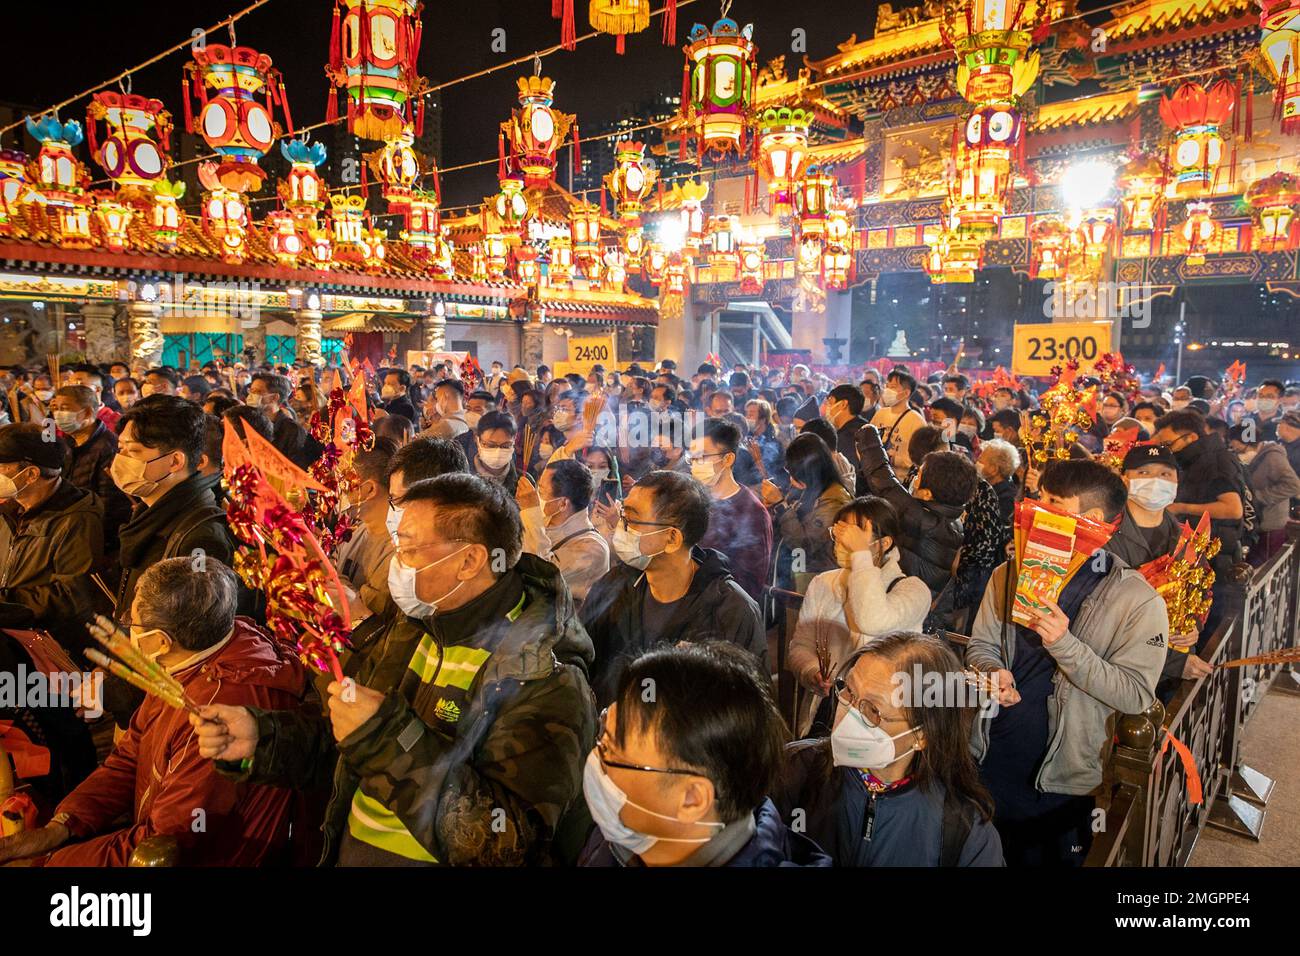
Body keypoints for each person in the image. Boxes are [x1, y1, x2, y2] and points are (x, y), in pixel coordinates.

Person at [192, 473, 598, 866]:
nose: (396, 564)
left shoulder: (544, 676)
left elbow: (504, 841)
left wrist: (385, 737)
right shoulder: (414, 628)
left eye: (407, 549)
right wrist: (262, 739)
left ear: (470, 560)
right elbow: (347, 746)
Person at [0, 558, 312, 866]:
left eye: (131, 623)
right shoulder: (187, 665)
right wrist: (65, 824)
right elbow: (131, 753)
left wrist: (52, 863)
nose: (124, 629)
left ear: (160, 642)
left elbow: (171, 841)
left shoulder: (215, 713)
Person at [967, 459, 1167, 866]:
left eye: (1052, 502)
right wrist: (993, 672)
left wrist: (1065, 644)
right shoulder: (1010, 573)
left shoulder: (1137, 600)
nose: (1032, 510)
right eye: (1037, 497)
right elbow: (981, 645)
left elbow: (1134, 694)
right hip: (987, 757)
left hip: (1061, 781)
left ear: (1091, 519)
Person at [578, 641, 829, 867]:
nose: (595, 761)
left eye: (611, 749)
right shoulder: (624, 838)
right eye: (603, 735)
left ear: (691, 799)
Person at [776, 633, 1004, 866]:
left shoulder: (964, 833)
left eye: (873, 709)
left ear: (922, 735)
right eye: (849, 692)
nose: (849, 713)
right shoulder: (793, 771)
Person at [580, 470, 767, 708]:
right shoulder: (614, 585)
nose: (620, 528)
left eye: (631, 520)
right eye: (622, 515)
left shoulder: (730, 611)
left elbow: (747, 710)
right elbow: (580, 655)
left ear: (672, 539)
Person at [111, 395, 234, 686]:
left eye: (135, 451)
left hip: (159, 698)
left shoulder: (200, 538)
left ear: (175, 461)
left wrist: (112, 689)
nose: (120, 461)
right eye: (121, 449)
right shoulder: (149, 513)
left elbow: (186, 650)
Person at [786, 497, 930, 736]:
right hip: (827, 713)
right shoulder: (823, 583)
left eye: (853, 537)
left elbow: (870, 620)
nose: (841, 544)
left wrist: (861, 555)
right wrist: (813, 671)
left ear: (884, 543)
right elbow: (800, 644)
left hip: (879, 721)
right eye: (839, 534)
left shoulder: (913, 590)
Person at [1107, 444, 1212, 692]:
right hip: (1121, 674)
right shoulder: (1105, 536)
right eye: (1144, 473)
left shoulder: (1186, 537)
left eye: (1166, 474)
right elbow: (1102, 619)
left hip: (1174, 672)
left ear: (1176, 482)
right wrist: (1173, 663)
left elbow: (1201, 590)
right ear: (1125, 479)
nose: (1156, 481)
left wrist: (1193, 625)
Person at [0, 423, 104, 659]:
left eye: (2, 467)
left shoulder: (77, 520)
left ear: (31, 474)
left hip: (44, 650)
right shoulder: (11, 508)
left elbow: (70, 595)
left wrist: (7, 602)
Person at [855, 423, 975, 606]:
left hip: (903, 604)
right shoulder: (951, 521)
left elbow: (885, 484)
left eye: (918, 476)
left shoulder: (925, 521)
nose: (914, 480)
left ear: (928, 494)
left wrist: (868, 435)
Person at [692, 418, 773, 605]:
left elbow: (749, 585)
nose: (696, 464)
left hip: (721, 613)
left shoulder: (752, 513)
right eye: (693, 458)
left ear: (728, 459)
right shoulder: (693, 499)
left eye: (703, 457)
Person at [1151, 409, 1246, 568]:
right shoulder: (1193, 460)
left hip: (1216, 555)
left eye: (1168, 444)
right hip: (1196, 549)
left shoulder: (1215, 461)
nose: (1167, 450)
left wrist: (1181, 508)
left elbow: (1232, 508)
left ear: (1191, 437)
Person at [515, 458, 610, 607]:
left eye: (540, 491)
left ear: (563, 503)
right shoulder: (543, 523)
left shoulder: (593, 549)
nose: (536, 497)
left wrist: (530, 513)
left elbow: (541, 575)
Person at [761, 432, 851, 589]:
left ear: (813, 473)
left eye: (796, 475)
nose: (791, 479)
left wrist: (781, 505)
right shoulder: (809, 487)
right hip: (794, 571)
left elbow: (803, 544)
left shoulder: (835, 501)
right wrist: (773, 508)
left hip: (816, 581)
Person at [49, 384, 130, 545]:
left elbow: (112, 504)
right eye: (55, 408)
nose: (58, 414)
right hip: (69, 529)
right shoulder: (67, 443)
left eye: (64, 409)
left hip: (94, 536)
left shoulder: (109, 447)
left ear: (87, 412)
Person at [334, 438, 399, 621]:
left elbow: (366, 621)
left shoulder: (395, 553)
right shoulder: (358, 528)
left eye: (343, 482)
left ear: (369, 489)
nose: (337, 490)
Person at [1230, 422, 1300, 564]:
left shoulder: (1273, 457)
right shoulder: (1252, 457)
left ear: (1247, 443)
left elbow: (1293, 485)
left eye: (1237, 447)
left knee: (1265, 567)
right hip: (1254, 523)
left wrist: (1259, 497)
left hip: (1269, 524)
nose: (1236, 451)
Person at [247, 371, 322, 471]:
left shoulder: (292, 431)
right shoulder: (250, 423)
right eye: (251, 391)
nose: (252, 395)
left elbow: (297, 470)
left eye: (258, 392)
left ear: (274, 397)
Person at [870, 369, 926, 471]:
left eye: (893, 387)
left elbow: (920, 459)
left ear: (906, 393)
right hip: (876, 476)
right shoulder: (880, 413)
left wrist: (891, 459)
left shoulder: (917, 421)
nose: (887, 390)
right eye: (887, 386)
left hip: (900, 481)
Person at [819, 384, 868, 478]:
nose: (827, 408)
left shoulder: (848, 437)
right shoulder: (863, 426)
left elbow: (848, 475)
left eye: (830, 402)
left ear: (843, 404)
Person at [469, 409, 520, 494]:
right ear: (477, 440)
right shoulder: (465, 477)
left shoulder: (523, 481)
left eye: (505, 446)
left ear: (514, 441)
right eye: (490, 445)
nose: (498, 451)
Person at [978, 438, 1021, 523]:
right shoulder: (984, 486)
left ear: (994, 469)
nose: (976, 463)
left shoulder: (1007, 499)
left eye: (980, 461)